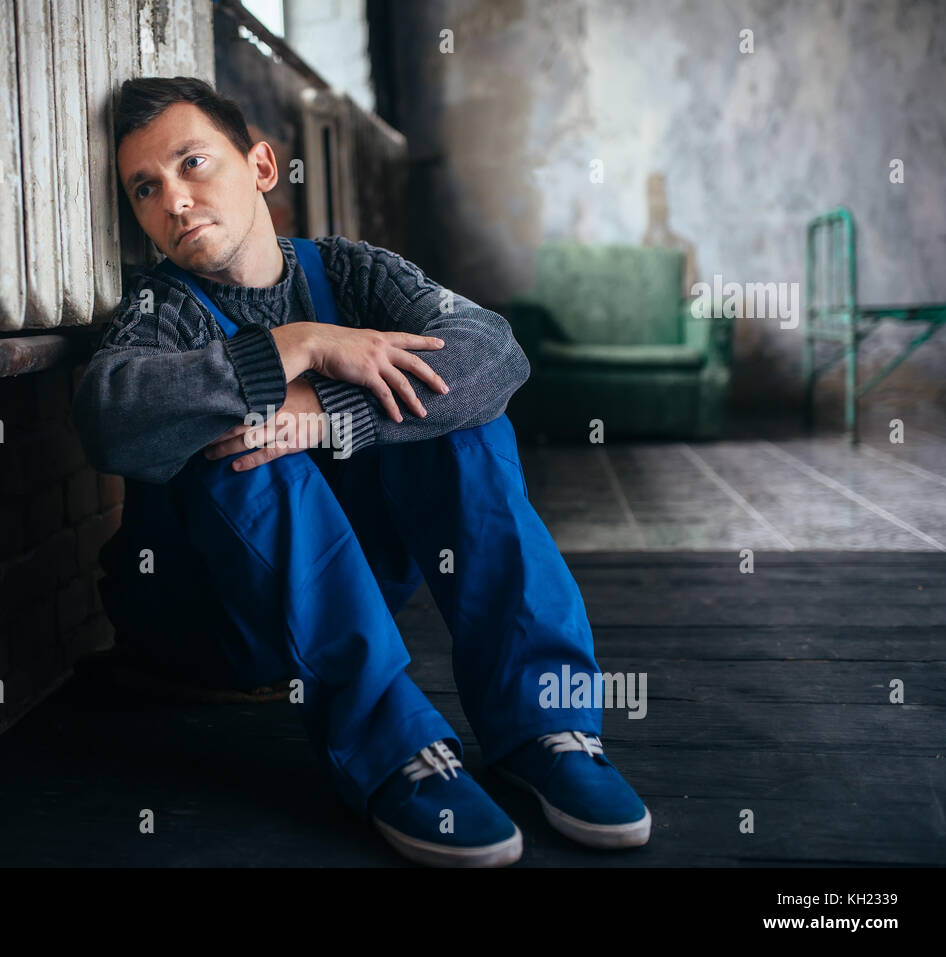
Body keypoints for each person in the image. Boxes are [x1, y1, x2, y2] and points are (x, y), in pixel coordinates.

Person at [72, 76, 650, 867]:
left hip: (349, 595)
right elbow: (107, 415)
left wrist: (331, 411)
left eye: (193, 163)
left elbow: (494, 353)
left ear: (262, 167)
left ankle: (543, 724)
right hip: (209, 629)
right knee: (238, 434)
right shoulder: (161, 308)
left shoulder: (351, 272)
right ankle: (395, 753)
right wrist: (293, 349)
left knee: (462, 416)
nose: (174, 199)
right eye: (146, 188)